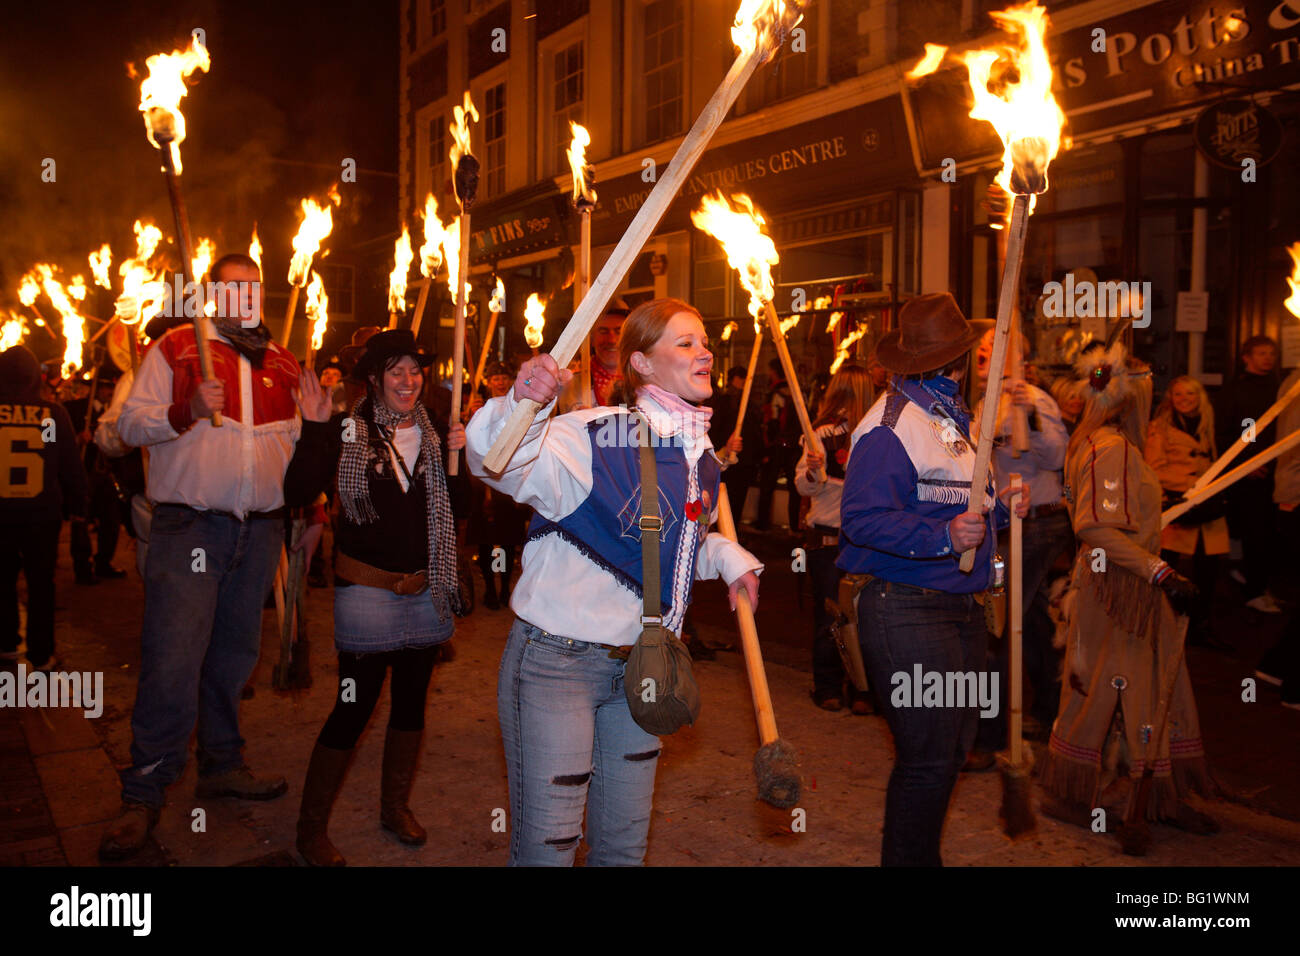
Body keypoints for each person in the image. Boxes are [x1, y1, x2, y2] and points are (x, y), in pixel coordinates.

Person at [466, 297, 762, 866]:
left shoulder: (698, 456)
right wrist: (521, 404)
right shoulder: (594, 435)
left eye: (705, 342)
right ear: (642, 364)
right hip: (558, 665)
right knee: (548, 849)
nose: (705, 354)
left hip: (640, 668)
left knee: (624, 850)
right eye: (686, 343)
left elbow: (667, 551)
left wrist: (728, 558)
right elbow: (495, 462)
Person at [98, 252, 308, 861]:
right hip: (190, 528)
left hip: (259, 532)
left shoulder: (284, 362)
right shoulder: (174, 349)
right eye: (232, 287)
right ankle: (143, 793)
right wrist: (184, 410)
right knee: (173, 659)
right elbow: (128, 427)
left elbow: (293, 447)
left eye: (254, 288)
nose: (246, 297)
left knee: (233, 657)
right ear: (212, 294)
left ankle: (222, 763)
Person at [838, 293, 1028, 866]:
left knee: (951, 751)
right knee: (927, 756)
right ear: (959, 359)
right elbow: (862, 520)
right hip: (906, 609)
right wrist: (944, 537)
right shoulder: (888, 426)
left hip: (963, 609)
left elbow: (960, 499)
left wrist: (998, 509)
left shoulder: (952, 420)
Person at [282, 329, 467, 866]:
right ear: (375, 378)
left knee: (411, 705)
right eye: (395, 370)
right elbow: (296, 494)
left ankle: (394, 807)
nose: (408, 381)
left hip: (424, 587)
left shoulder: (436, 434)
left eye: (415, 370)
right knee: (352, 706)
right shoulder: (347, 431)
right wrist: (316, 428)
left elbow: (459, 516)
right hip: (366, 590)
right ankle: (310, 830)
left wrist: (463, 462)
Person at [1040, 343, 1217, 845]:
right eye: (1147, 388)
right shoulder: (1108, 448)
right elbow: (1095, 526)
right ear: (1130, 398)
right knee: (1109, 692)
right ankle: (1086, 799)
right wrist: (1161, 573)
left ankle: (1155, 797)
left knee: (1154, 690)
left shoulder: (1112, 444)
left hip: (1131, 588)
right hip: (1116, 592)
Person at [968, 329, 1072, 763]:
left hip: (1038, 524)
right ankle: (1053, 715)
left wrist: (1028, 417)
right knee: (1031, 624)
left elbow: (1057, 456)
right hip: (1008, 523)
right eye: (980, 350)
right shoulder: (985, 402)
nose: (982, 355)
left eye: (992, 350)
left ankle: (989, 738)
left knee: (997, 620)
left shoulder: (1033, 398)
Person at [0, 345, 89, 670]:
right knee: (41, 584)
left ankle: (6, 643)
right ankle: (41, 653)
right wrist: (79, 505)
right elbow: (69, 466)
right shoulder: (52, 414)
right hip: (41, 515)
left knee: (2, 580)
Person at [795, 363, 874, 713]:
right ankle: (831, 686)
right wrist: (813, 470)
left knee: (860, 614)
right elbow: (803, 485)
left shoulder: (877, 437)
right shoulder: (822, 437)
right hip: (830, 538)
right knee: (834, 615)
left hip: (866, 538)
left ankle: (859, 688)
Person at [1146, 376, 1230, 650]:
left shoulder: (1209, 424)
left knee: (1208, 571)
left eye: (1190, 394)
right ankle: (1168, 628)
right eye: (1179, 394)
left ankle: (1200, 626)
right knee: (1171, 571)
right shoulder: (1160, 428)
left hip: (1208, 510)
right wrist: (1188, 488)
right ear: (1171, 398)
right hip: (1179, 508)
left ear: (1199, 396)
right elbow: (1154, 468)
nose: (1185, 399)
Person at [1215, 335, 1281, 612]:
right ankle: (1252, 591)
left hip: (1277, 469)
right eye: (1261, 353)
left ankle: (1258, 585)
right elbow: (1231, 433)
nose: (1267, 358)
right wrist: (1247, 463)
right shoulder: (1235, 391)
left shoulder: (1279, 387)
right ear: (1246, 357)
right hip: (1247, 472)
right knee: (1253, 531)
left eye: (1271, 354)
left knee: (1268, 531)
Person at [467, 362, 529, 609]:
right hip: (483, 483)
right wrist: (469, 416)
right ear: (488, 382)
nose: (500, 382)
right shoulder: (476, 406)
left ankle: (504, 587)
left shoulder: (517, 407)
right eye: (495, 378)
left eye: (504, 377)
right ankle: (490, 588)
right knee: (486, 541)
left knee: (505, 540)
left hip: (505, 479)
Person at [65, 364, 127, 584]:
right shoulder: (73, 409)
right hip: (84, 473)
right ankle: (82, 568)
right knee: (80, 521)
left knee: (111, 520)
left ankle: (104, 563)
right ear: (97, 389)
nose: (110, 392)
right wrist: (77, 439)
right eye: (106, 387)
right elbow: (51, 438)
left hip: (107, 474)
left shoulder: (118, 410)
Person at [755, 358, 802, 533]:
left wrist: (767, 446)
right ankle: (794, 525)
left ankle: (762, 524)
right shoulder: (798, 392)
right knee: (794, 488)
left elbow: (772, 422)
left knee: (767, 486)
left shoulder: (776, 394)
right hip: (795, 446)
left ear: (775, 372)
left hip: (777, 446)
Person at [706, 365, 758, 518]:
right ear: (735, 379)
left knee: (735, 502)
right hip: (728, 458)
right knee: (728, 503)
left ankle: (732, 533)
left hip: (740, 459)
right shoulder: (725, 401)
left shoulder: (745, 401)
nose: (744, 382)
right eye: (742, 378)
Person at [590, 306, 630, 406]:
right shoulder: (570, 384)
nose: (612, 340)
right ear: (591, 339)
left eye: (619, 332)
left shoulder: (645, 382)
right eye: (603, 332)